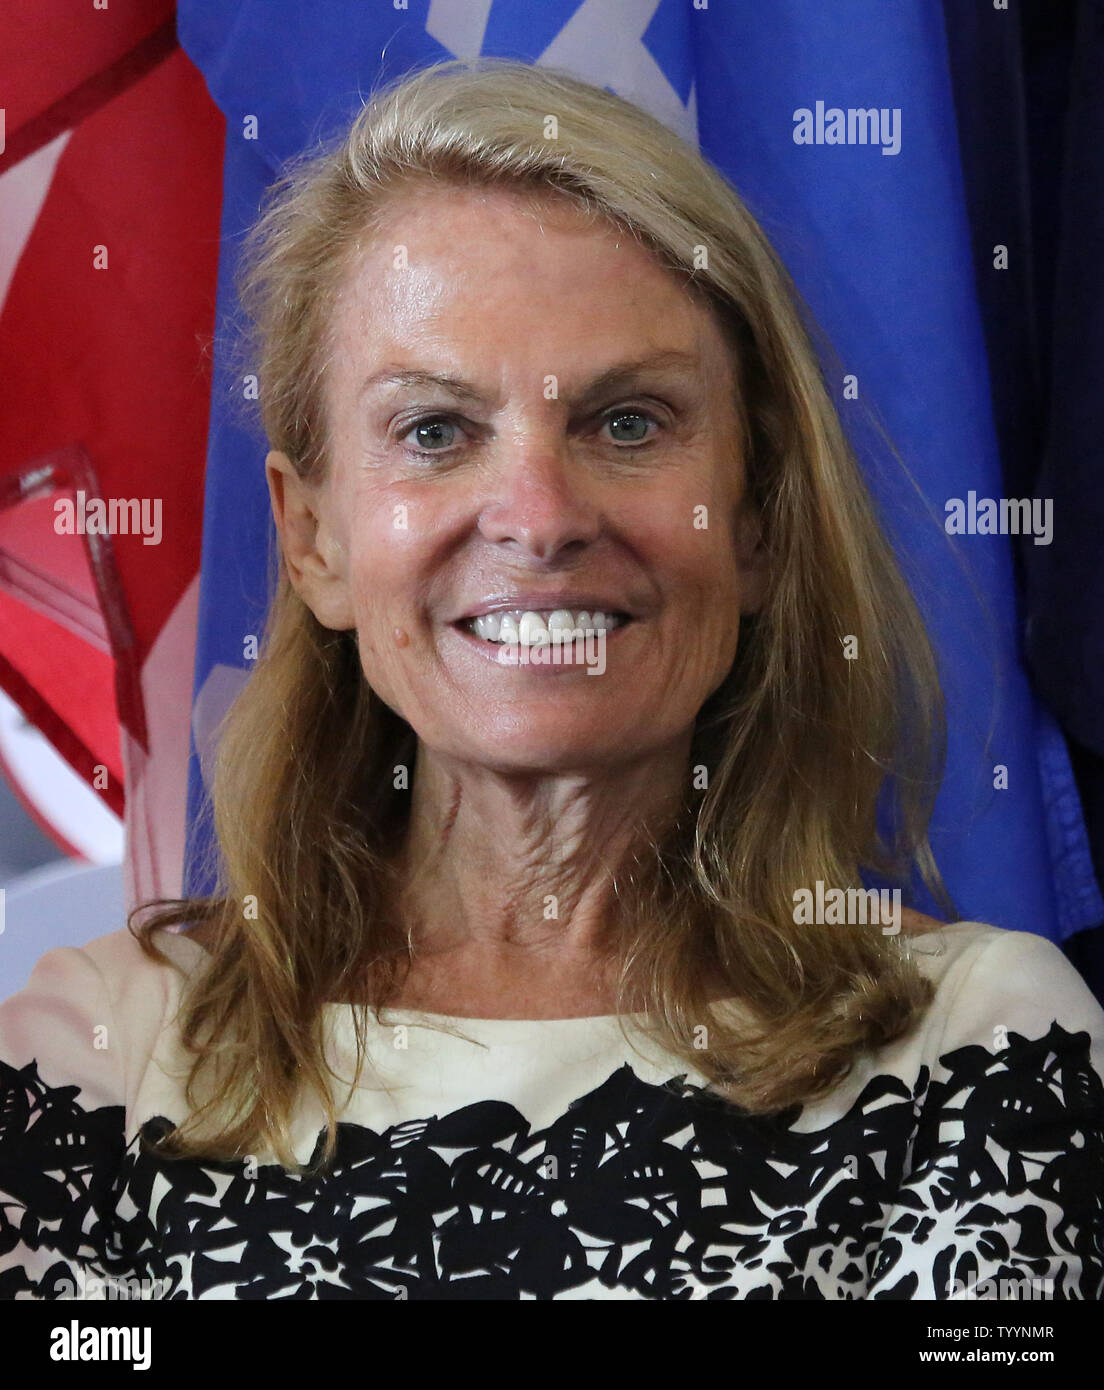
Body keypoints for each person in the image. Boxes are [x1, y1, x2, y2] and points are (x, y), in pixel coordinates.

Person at [1, 56, 1101, 1302]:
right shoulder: (102, 1047)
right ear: (311, 540)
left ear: (755, 523)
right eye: (435, 431)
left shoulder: (980, 1046)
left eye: (628, 421)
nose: (537, 515)